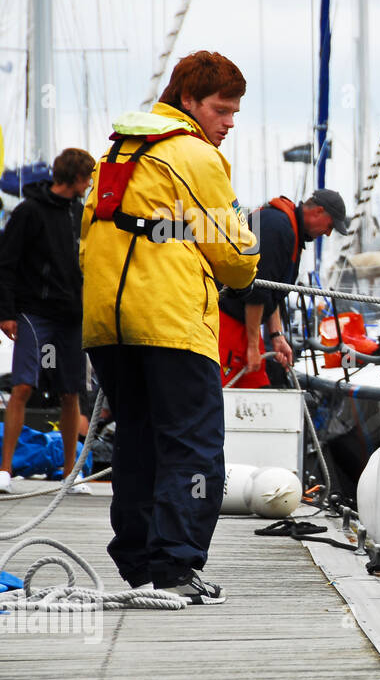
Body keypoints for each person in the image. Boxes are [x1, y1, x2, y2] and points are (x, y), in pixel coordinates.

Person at [80, 50, 259, 605]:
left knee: (137, 439)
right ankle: (177, 564)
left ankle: (138, 562)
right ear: (188, 102)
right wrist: (246, 258)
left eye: (233, 112)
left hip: (108, 325)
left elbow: (86, 243)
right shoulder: (194, 157)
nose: (229, 122)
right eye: (221, 109)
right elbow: (234, 254)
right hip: (171, 323)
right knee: (193, 446)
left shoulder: (115, 154)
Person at [0, 148, 97, 494]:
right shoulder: (29, 211)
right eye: (87, 178)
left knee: (71, 393)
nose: (89, 184)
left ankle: (71, 474)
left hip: (71, 315)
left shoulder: (79, 213)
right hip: (34, 312)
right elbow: (6, 261)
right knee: (23, 386)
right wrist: (6, 312)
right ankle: (5, 471)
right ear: (75, 178)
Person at [217, 189, 348, 388]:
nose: (328, 233)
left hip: (246, 328)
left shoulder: (288, 228)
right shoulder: (277, 226)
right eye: (330, 226)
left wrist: (276, 336)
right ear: (318, 212)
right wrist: (252, 347)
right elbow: (257, 291)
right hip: (226, 327)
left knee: (261, 391)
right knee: (221, 397)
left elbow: (271, 291)